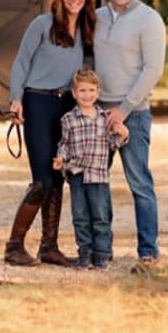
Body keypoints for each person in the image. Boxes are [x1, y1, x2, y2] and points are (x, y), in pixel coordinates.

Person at [4, 0, 97, 267]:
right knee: (42, 180)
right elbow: (21, 62)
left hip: (67, 105)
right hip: (38, 102)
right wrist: (16, 99)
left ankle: (49, 247)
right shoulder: (42, 25)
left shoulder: (86, 29)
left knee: (58, 177)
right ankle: (13, 247)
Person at [94, 0, 166, 274]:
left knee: (139, 184)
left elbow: (153, 69)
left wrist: (123, 110)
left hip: (132, 114)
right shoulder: (95, 17)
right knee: (95, 183)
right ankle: (100, 250)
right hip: (96, 114)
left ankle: (148, 252)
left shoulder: (149, 20)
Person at [53, 67, 128, 270]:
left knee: (101, 217)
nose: (87, 95)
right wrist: (61, 158)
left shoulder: (105, 119)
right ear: (74, 93)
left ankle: (102, 254)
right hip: (77, 175)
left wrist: (123, 134)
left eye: (91, 90)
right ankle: (84, 254)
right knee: (80, 217)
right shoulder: (68, 119)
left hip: (98, 176)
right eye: (82, 91)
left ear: (98, 92)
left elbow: (113, 144)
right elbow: (65, 143)